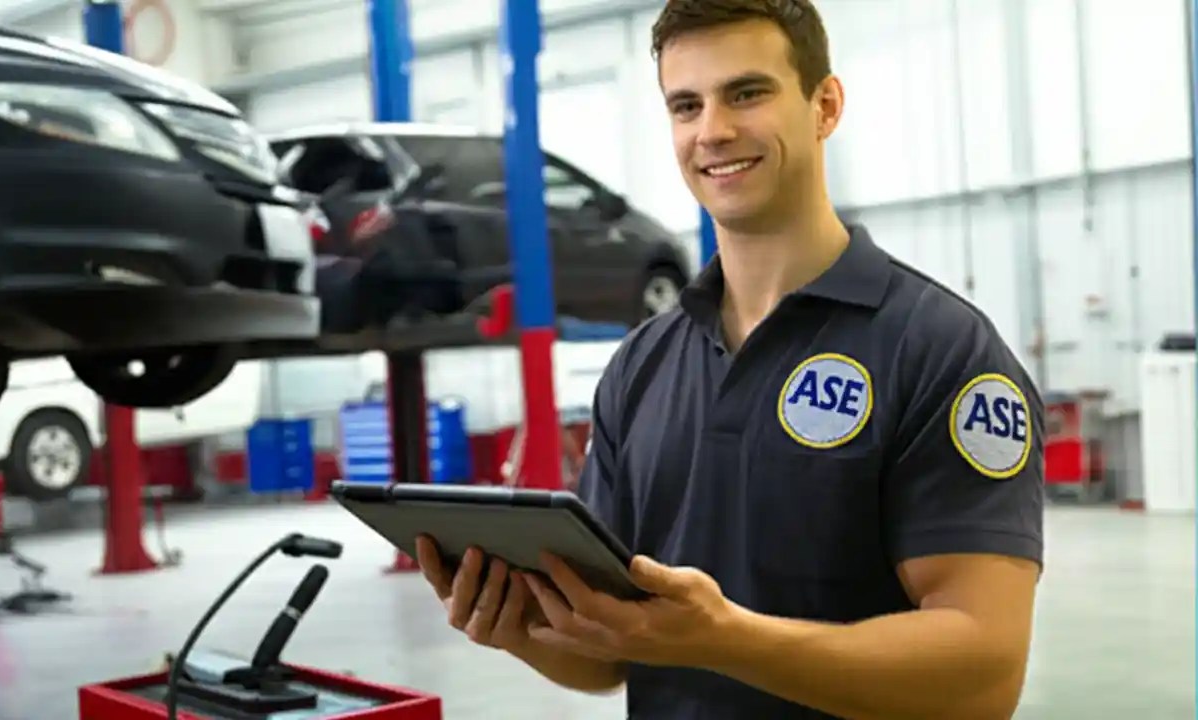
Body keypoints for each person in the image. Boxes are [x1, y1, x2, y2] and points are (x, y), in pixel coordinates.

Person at [415, 0, 1045, 718]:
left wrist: (726, 640)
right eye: (686, 105)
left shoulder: (939, 350)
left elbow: (983, 676)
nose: (712, 131)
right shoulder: (641, 367)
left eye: (746, 93)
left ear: (825, 105)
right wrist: (521, 628)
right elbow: (612, 657)